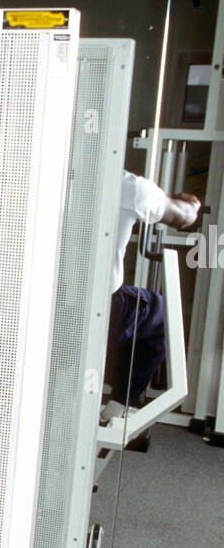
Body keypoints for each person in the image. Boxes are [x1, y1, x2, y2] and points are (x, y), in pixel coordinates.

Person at [101, 170, 202, 424]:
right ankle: (114, 410)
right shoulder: (129, 186)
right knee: (161, 316)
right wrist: (191, 204)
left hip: (42, 301)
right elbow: (183, 218)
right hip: (100, 309)